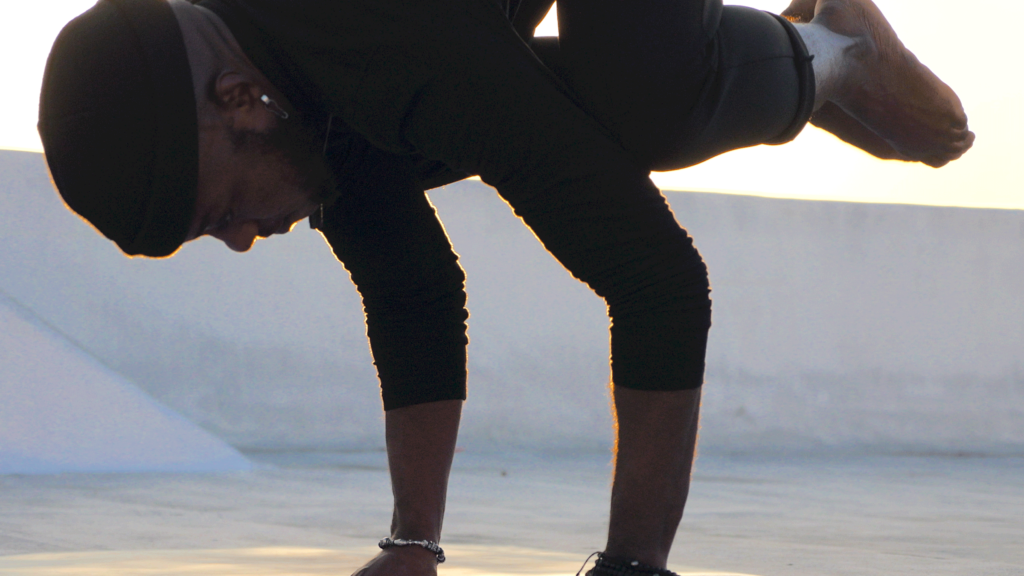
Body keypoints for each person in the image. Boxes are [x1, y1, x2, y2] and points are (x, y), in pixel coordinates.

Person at [36, 0, 972, 575]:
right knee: (477, 129)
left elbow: (659, 282)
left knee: (645, 106)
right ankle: (801, 65)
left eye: (218, 213)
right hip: (436, 55)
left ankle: (837, 47)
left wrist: (632, 568)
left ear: (238, 100)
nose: (244, 239)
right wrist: (412, 545)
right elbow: (413, 294)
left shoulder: (394, 47)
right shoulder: (283, 86)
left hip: (435, 46)